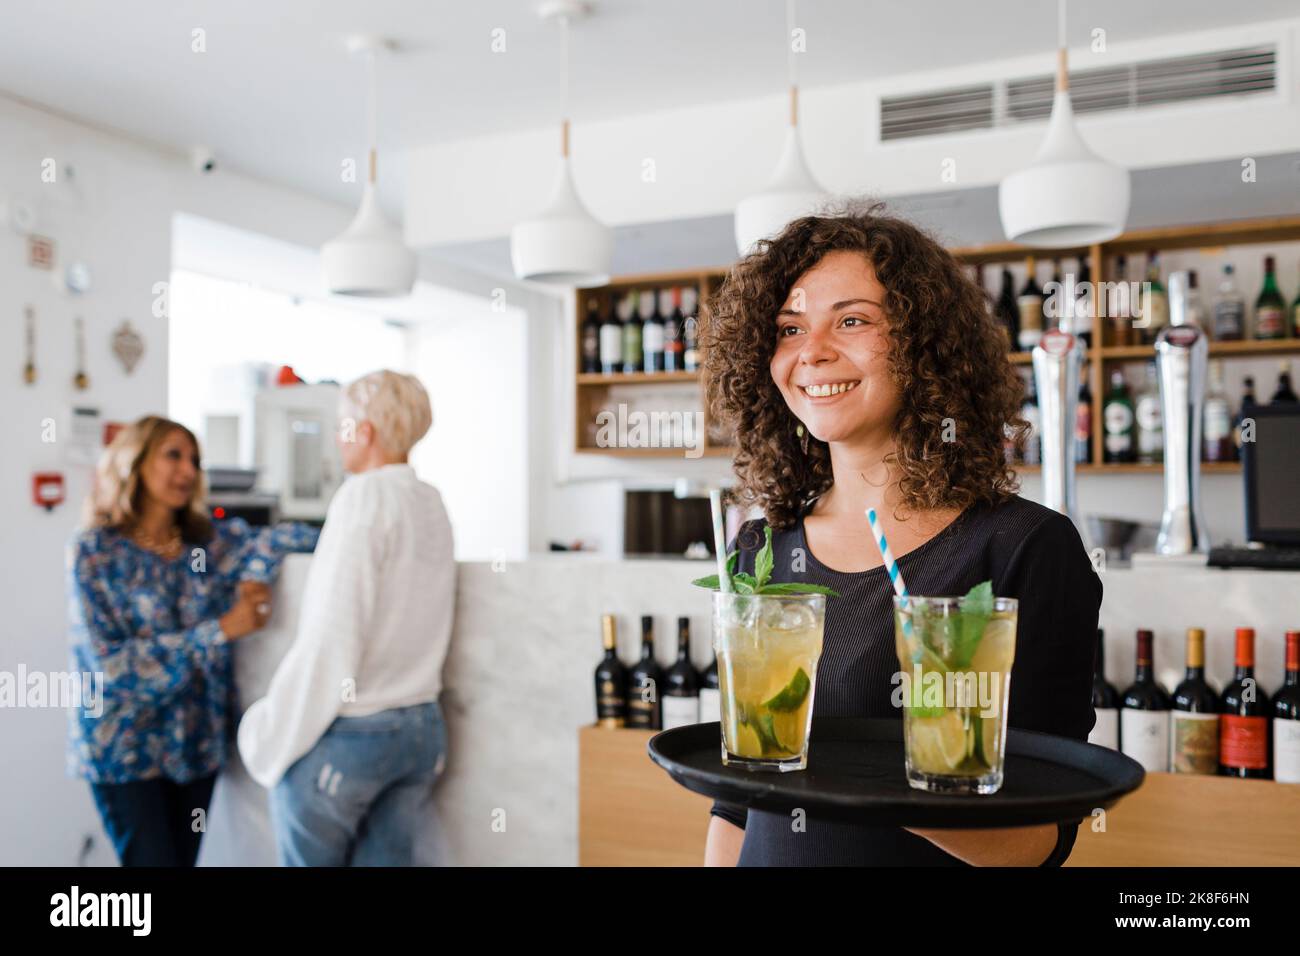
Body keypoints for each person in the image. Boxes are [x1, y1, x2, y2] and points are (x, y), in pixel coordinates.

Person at [700, 205, 1101, 866]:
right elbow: (738, 802)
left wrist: (889, 777)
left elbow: (1039, 840)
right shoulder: (757, 552)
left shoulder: (1024, 548)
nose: (813, 352)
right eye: (789, 328)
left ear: (926, 342)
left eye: (852, 320)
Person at [68, 415, 319, 866]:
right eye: (173, 456)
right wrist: (221, 629)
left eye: (195, 460)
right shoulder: (96, 551)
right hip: (125, 752)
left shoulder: (208, 544)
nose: (187, 470)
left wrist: (253, 577)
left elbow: (297, 534)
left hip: (195, 747)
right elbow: (113, 667)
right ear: (135, 462)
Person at [237, 370, 455, 867]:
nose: (337, 439)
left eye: (343, 426)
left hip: (356, 736)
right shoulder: (431, 502)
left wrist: (268, 731)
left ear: (368, 431)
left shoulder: (363, 497)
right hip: (421, 730)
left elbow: (330, 638)